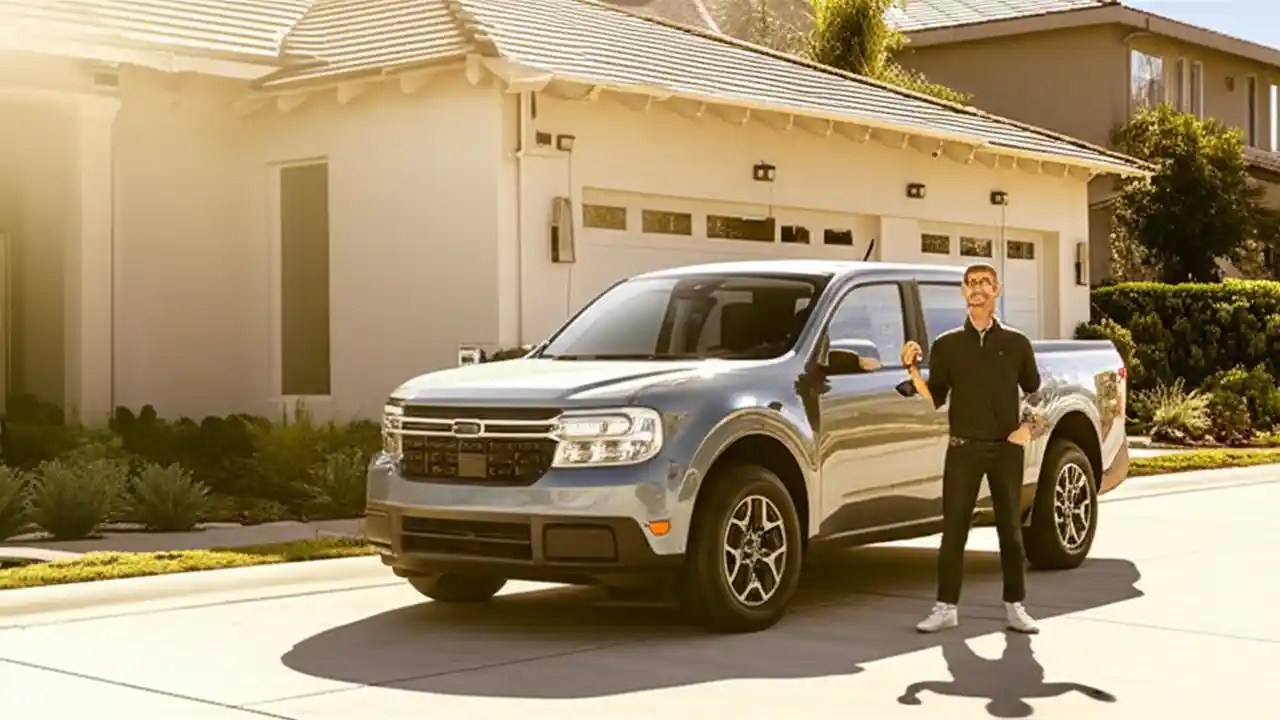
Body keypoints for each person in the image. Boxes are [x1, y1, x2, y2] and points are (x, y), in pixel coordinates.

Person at [899, 262, 1046, 635]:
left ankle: (1016, 606)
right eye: (971, 283)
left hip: (1005, 450)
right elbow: (936, 397)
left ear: (997, 290)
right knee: (954, 531)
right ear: (963, 292)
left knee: (1010, 531)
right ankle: (945, 607)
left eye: (985, 282)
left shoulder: (1016, 344)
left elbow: (1036, 392)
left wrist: (1029, 427)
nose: (977, 288)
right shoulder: (948, 345)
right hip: (963, 449)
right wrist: (913, 372)